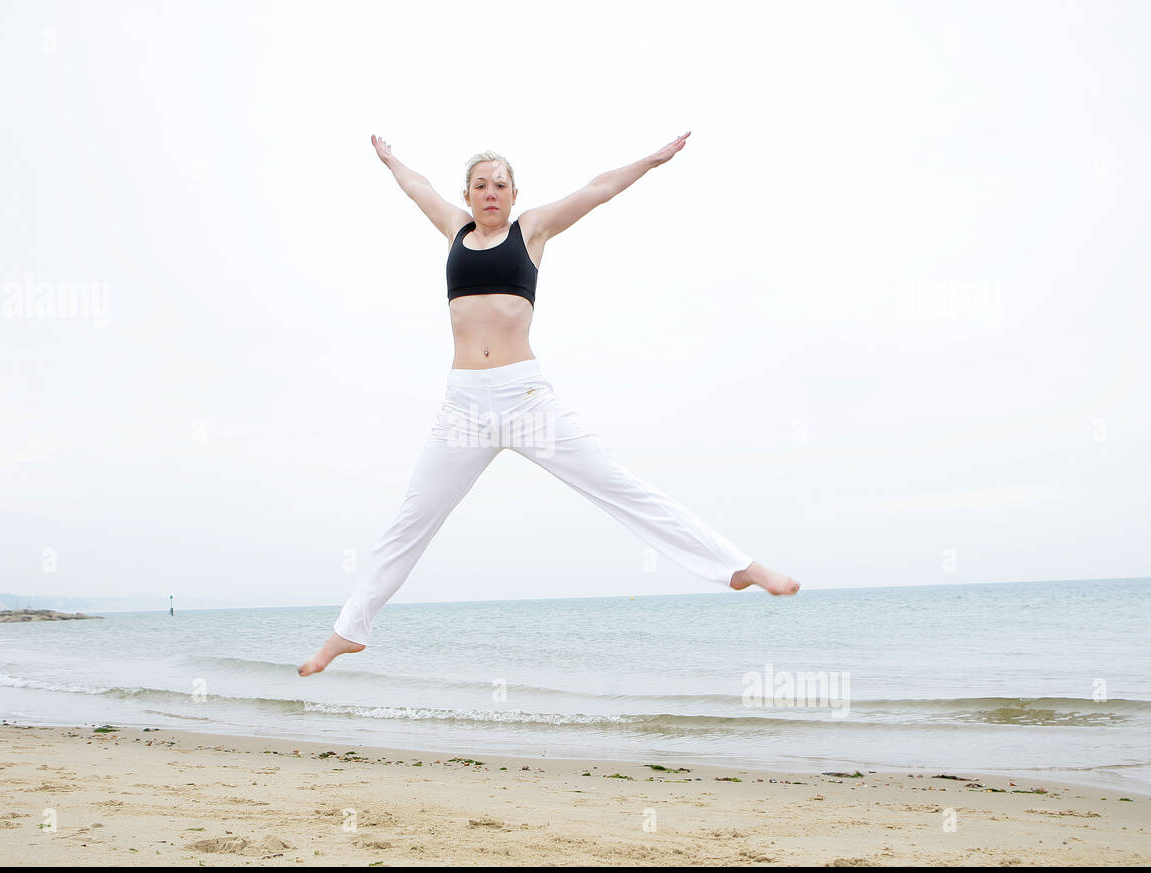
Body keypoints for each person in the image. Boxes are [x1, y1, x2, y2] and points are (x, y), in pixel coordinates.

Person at [298, 132, 799, 676]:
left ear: (514, 195)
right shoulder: (452, 229)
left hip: (524, 399)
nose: (491, 193)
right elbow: (416, 187)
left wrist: (653, 160)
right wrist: (392, 159)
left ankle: (739, 567)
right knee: (411, 521)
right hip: (463, 406)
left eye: (500, 185)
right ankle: (347, 632)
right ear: (467, 195)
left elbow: (598, 189)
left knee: (618, 485)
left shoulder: (531, 229)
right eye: (480, 185)